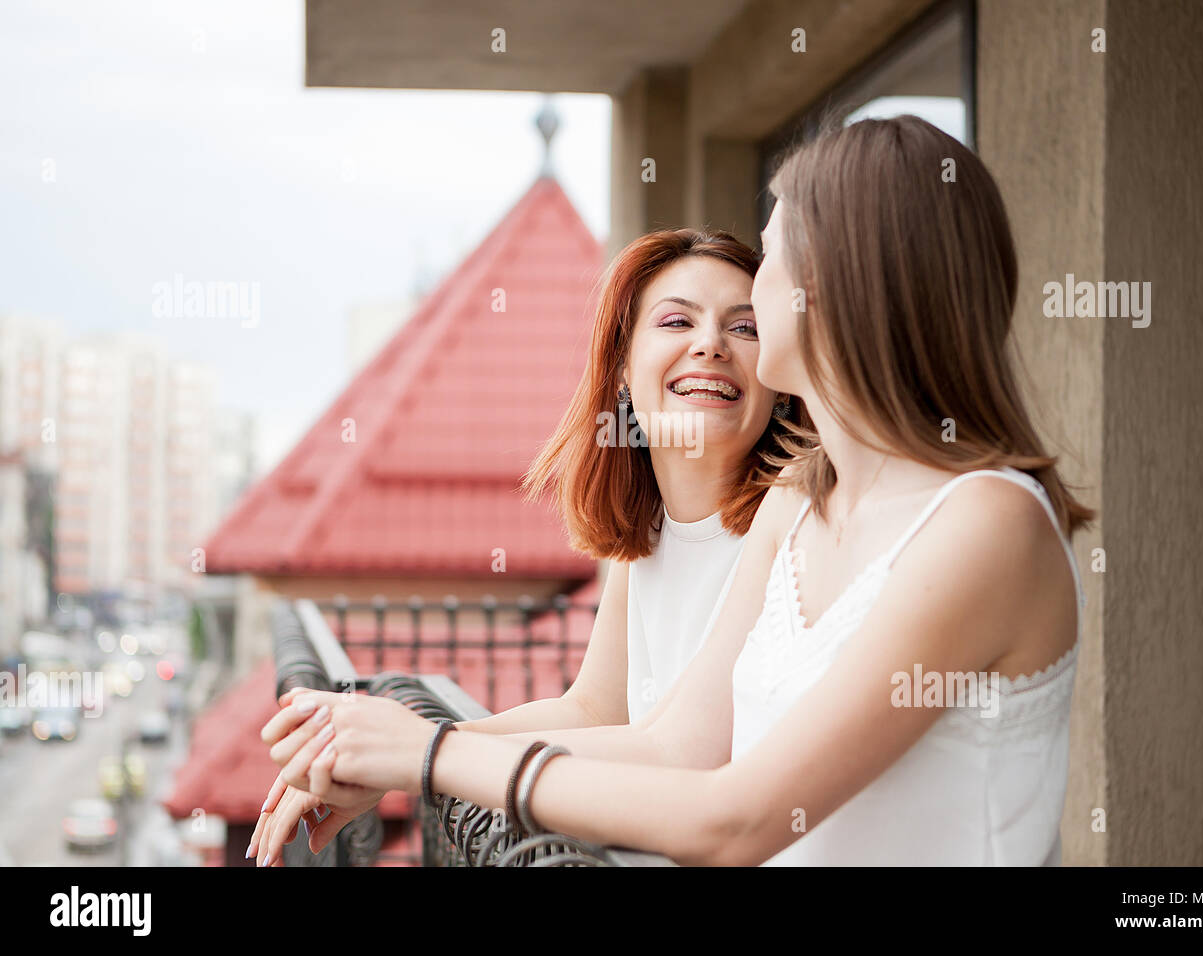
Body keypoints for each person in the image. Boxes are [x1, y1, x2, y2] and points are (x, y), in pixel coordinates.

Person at [263, 114, 1094, 866]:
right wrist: (403, 746)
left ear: (839, 286)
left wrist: (430, 756)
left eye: (771, 262)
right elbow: (678, 749)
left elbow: (736, 818)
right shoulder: (797, 508)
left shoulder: (985, 524)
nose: (746, 304)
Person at [248, 228, 799, 863]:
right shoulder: (647, 531)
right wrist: (407, 747)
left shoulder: (793, 519)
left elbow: (679, 751)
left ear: (778, 378)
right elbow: (595, 709)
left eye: (745, 328)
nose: (710, 345)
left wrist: (421, 755)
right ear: (622, 368)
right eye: (677, 320)